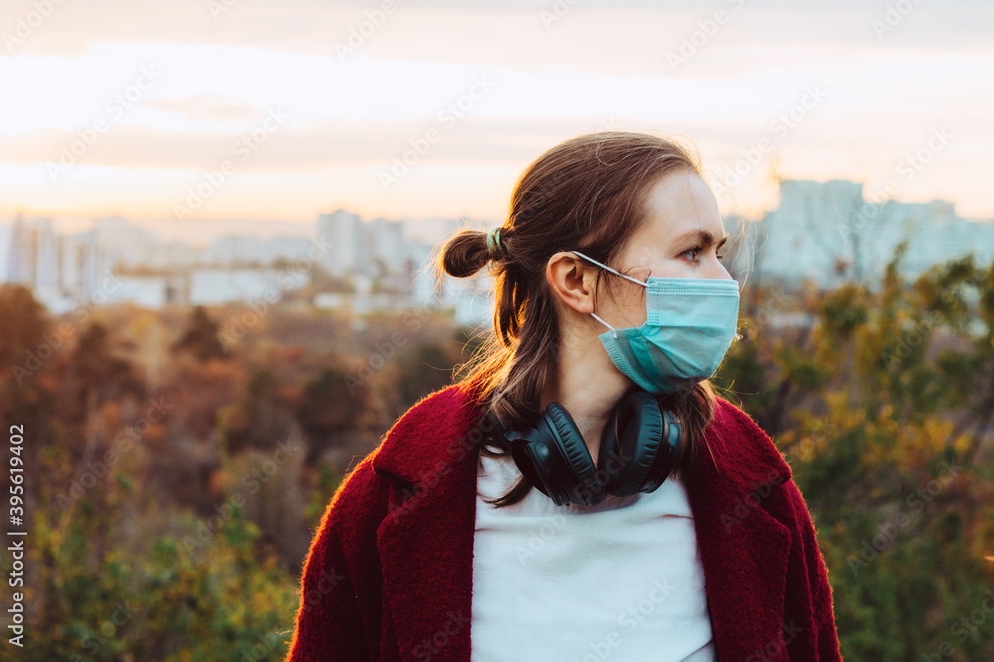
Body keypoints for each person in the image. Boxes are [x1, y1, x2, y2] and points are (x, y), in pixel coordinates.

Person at [285, 131, 843, 661]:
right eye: (692, 253)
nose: (724, 282)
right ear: (576, 280)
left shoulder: (752, 483)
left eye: (718, 251)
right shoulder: (394, 495)